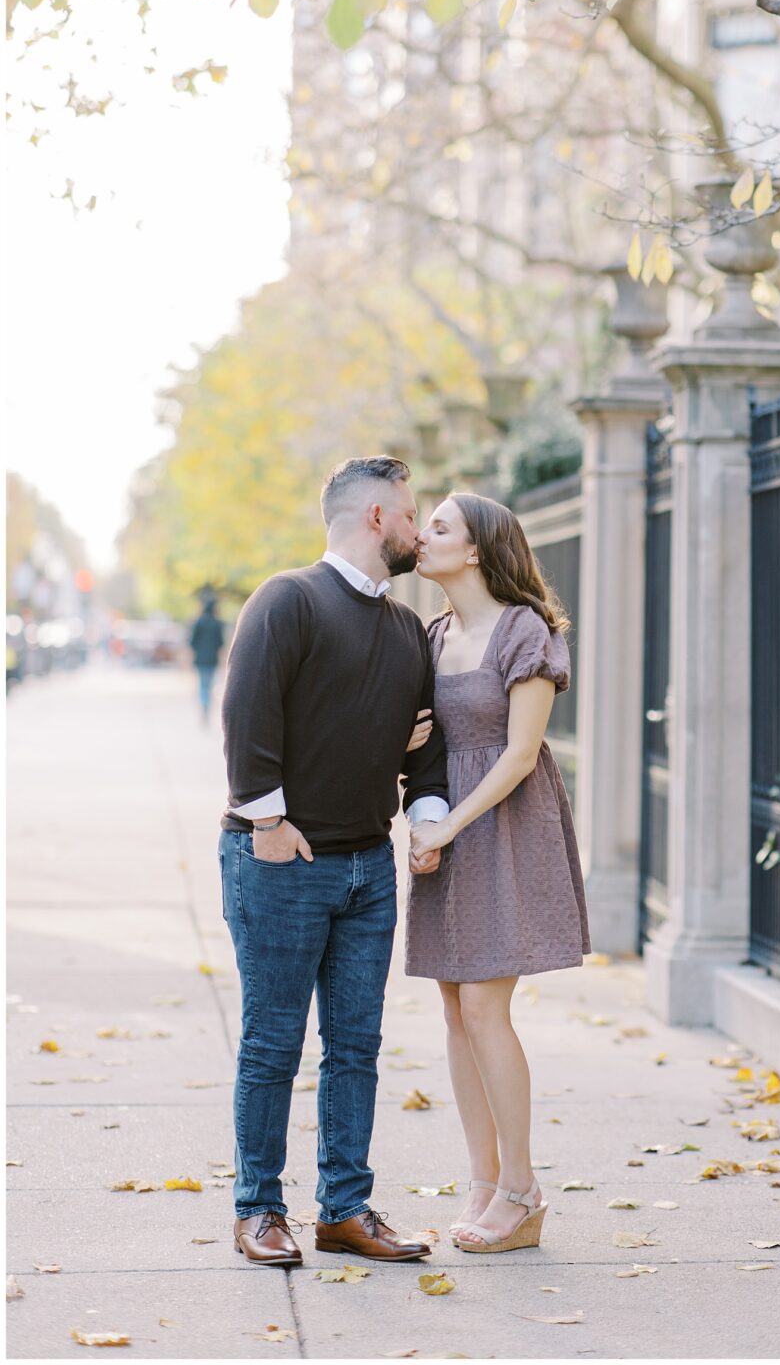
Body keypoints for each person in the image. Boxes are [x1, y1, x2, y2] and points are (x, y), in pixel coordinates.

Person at [218, 456, 449, 1269]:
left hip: (368, 867)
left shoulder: (406, 629)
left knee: (356, 1045)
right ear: (378, 516)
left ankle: (344, 1210)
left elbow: (426, 749)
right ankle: (259, 1210)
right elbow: (247, 714)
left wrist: (424, 822)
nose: (421, 531)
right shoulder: (290, 598)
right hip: (282, 860)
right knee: (274, 1042)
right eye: (413, 514)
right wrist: (270, 823)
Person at [405, 492, 590, 1254]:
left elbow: (519, 755)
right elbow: (420, 744)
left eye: (440, 526)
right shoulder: (432, 632)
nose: (423, 535)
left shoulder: (525, 631)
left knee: (484, 1006)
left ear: (478, 548)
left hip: (505, 829)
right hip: (447, 831)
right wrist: (422, 817)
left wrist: (450, 822)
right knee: (453, 1008)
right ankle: (482, 1178)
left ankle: (521, 1189)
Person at [189, 594, 225, 721]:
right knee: (209, 683)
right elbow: (221, 643)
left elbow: (192, 642)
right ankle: (207, 704)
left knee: (202, 684)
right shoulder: (218, 624)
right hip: (212, 659)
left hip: (200, 659)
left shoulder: (199, 622)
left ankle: (204, 704)